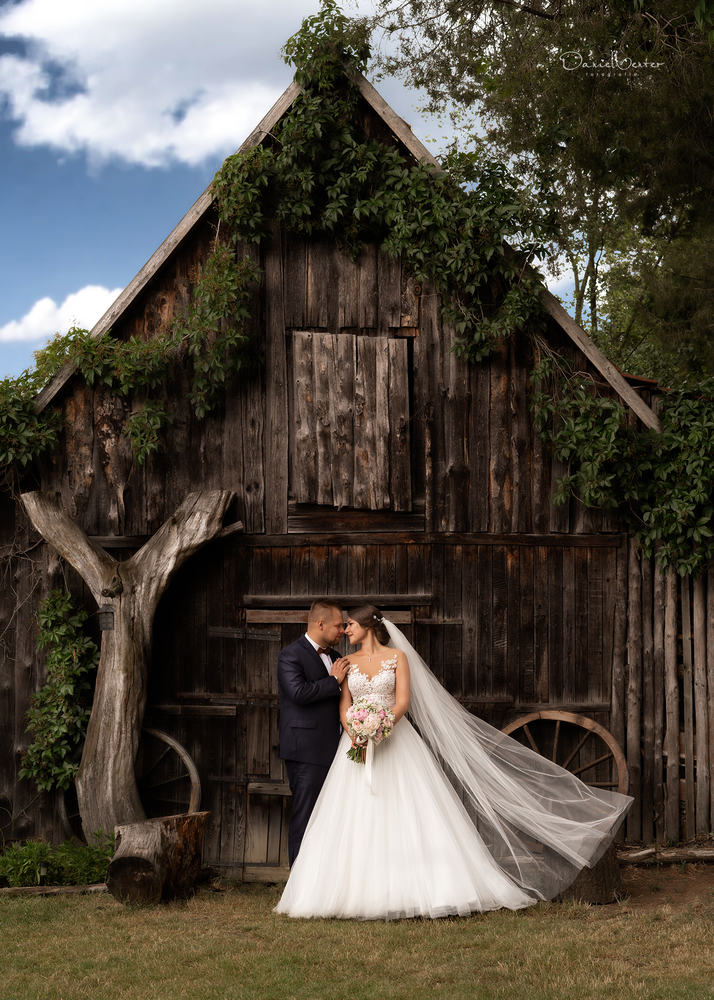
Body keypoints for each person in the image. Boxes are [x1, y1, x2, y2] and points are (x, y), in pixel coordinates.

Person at [275, 604, 633, 920]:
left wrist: (382, 728)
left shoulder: (396, 658)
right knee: (352, 816)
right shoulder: (345, 663)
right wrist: (355, 730)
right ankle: (345, 888)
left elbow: (402, 701)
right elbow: (344, 702)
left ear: (367, 625)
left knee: (408, 811)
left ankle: (421, 886)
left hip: (394, 740)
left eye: (350, 624)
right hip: (355, 743)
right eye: (342, 625)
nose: (345, 631)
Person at [277, 598, 351, 866]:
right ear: (321, 623)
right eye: (339, 625)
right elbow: (298, 693)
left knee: (331, 815)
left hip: (337, 748)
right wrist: (333, 681)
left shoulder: (336, 658)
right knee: (305, 815)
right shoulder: (290, 655)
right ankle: (297, 882)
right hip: (305, 749)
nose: (342, 631)